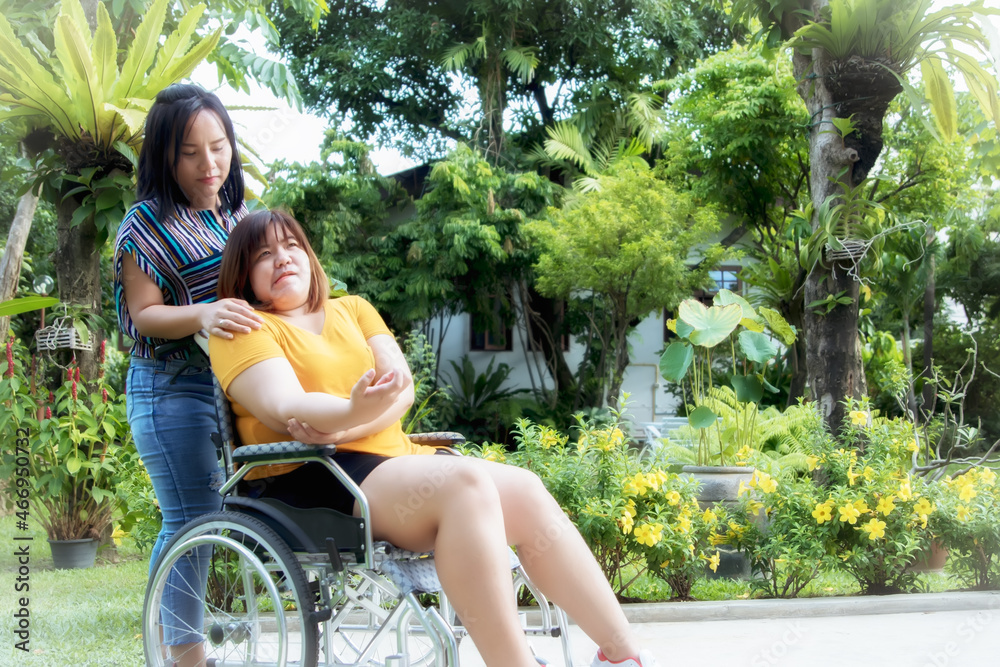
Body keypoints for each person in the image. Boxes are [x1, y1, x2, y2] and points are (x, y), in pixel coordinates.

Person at [209, 208, 662, 667]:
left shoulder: (354, 309)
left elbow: (400, 386)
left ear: (309, 257)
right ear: (244, 276)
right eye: (264, 254)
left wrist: (347, 423)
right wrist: (352, 413)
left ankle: (623, 656)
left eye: (291, 246)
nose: (282, 258)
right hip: (313, 475)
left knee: (525, 488)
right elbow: (287, 409)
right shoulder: (243, 329)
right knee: (463, 482)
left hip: (389, 461)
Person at [113, 83, 264, 667]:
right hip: (169, 388)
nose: (210, 164)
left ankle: (172, 650)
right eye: (190, 152)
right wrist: (202, 312)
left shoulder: (238, 215)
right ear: (165, 156)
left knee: (206, 521)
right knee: (190, 523)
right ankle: (182, 656)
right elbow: (144, 317)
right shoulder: (145, 223)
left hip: (231, 389)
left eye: (219, 146)